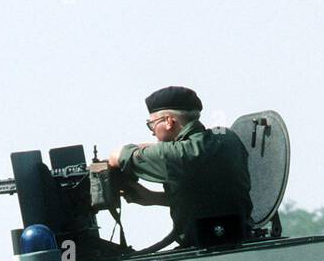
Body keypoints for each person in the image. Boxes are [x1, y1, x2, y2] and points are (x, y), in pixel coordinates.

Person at [108, 86, 252, 246]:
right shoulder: (226, 139)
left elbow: (119, 156)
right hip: (239, 238)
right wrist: (153, 198)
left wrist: (112, 161)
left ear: (169, 122)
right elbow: (208, 196)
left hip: (207, 248)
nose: (152, 132)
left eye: (152, 125)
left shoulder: (183, 154)